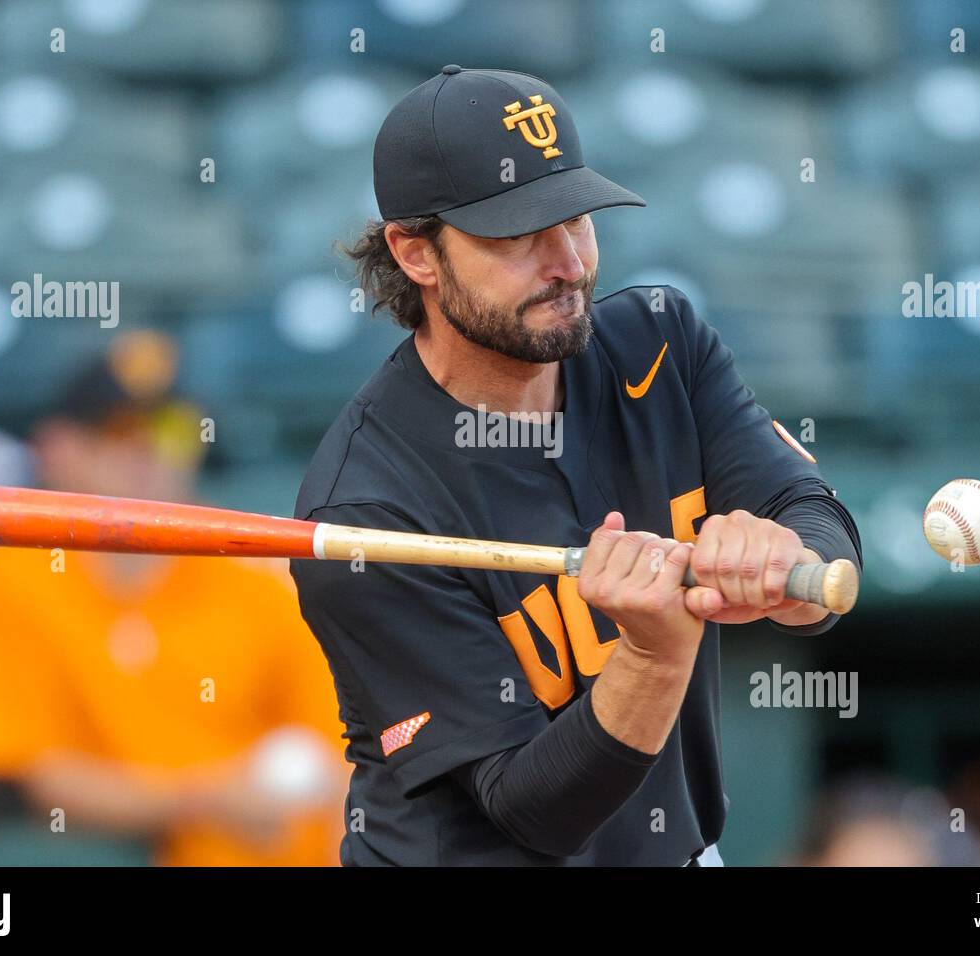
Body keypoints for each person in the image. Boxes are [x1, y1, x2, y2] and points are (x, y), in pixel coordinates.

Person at [291, 66, 862, 866]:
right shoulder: (367, 510)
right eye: (516, 234)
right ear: (416, 252)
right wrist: (654, 654)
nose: (568, 263)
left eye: (575, 219)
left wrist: (787, 565)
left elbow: (817, 523)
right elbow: (536, 816)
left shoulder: (661, 342)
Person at [0, 331, 348, 865]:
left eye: (168, 429)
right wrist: (204, 799)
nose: (146, 452)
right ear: (58, 449)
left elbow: (340, 753)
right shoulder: (15, 574)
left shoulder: (257, 570)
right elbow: (35, 777)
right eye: (117, 431)